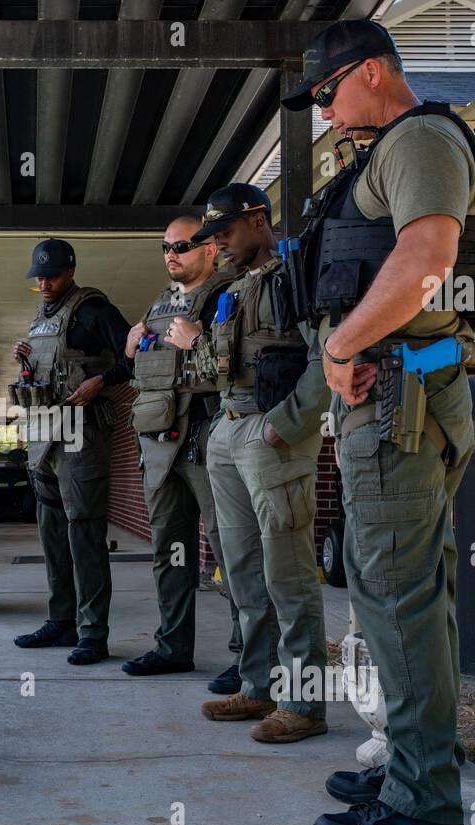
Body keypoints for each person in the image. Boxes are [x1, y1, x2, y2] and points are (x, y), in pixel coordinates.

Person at [282, 19, 475, 825]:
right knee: (402, 596)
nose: (325, 113)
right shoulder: (389, 147)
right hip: (393, 396)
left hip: (399, 396)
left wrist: (339, 344)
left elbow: (428, 256)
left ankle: (423, 804)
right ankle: (415, 760)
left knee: (397, 599)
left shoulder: (420, 137)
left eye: (328, 93)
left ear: (371, 72)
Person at [168, 184, 330, 744]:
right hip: (227, 432)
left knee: (288, 573)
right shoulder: (231, 290)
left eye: (228, 233)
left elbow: (329, 356)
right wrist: (193, 345)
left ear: (259, 220)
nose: (222, 246)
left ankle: (305, 702)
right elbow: (220, 365)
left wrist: (286, 426)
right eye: (213, 238)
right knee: (241, 569)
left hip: (272, 433)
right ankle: (258, 683)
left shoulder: (296, 275)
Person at [119, 216, 243, 682]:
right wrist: (130, 350)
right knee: (169, 549)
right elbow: (147, 372)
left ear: (211, 248)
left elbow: (244, 366)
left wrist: (200, 342)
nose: (172, 253)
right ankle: (172, 646)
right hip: (162, 444)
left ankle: (246, 655)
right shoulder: (161, 303)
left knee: (232, 551)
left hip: (211, 437)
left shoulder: (233, 293)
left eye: (184, 245)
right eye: (166, 246)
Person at [9, 239, 132, 666]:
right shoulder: (42, 318)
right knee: (52, 534)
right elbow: (47, 369)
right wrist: (24, 363)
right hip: (44, 435)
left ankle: (93, 634)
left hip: (82, 435)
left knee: (84, 534)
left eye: (52, 275)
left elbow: (135, 353)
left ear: (71, 270)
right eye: (39, 277)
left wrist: (102, 380)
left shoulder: (95, 310)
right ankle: (61, 622)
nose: (44, 283)